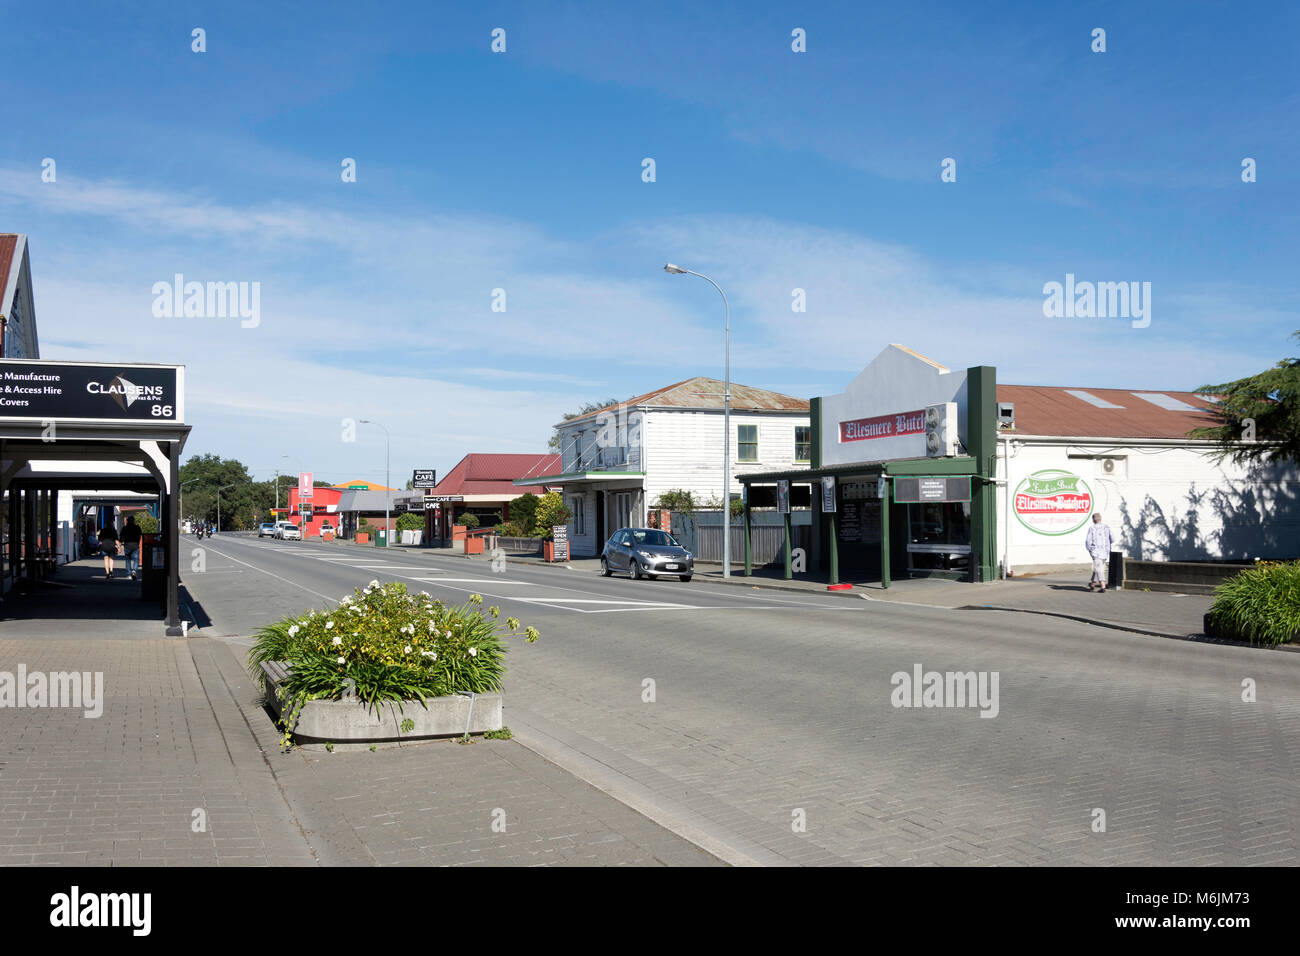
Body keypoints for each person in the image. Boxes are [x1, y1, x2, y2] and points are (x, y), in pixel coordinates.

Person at [1085, 512, 1114, 593]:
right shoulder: (1106, 527)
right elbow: (1113, 538)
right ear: (1100, 519)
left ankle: (1103, 586)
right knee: (1098, 567)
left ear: (1093, 520)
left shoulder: (1092, 528)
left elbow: (1088, 540)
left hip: (1096, 551)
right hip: (1105, 551)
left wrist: (1090, 549)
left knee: (1099, 568)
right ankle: (1093, 584)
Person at [121, 515, 143, 581]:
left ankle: (128, 574)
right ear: (134, 521)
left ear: (127, 521)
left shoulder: (125, 528)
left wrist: (120, 543)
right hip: (135, 545)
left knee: (128, 560)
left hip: (127, 545)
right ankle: (134, 571)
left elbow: (122, 537)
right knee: (136, 559)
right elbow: (140, 536)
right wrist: (138, 542)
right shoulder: (137, 527)